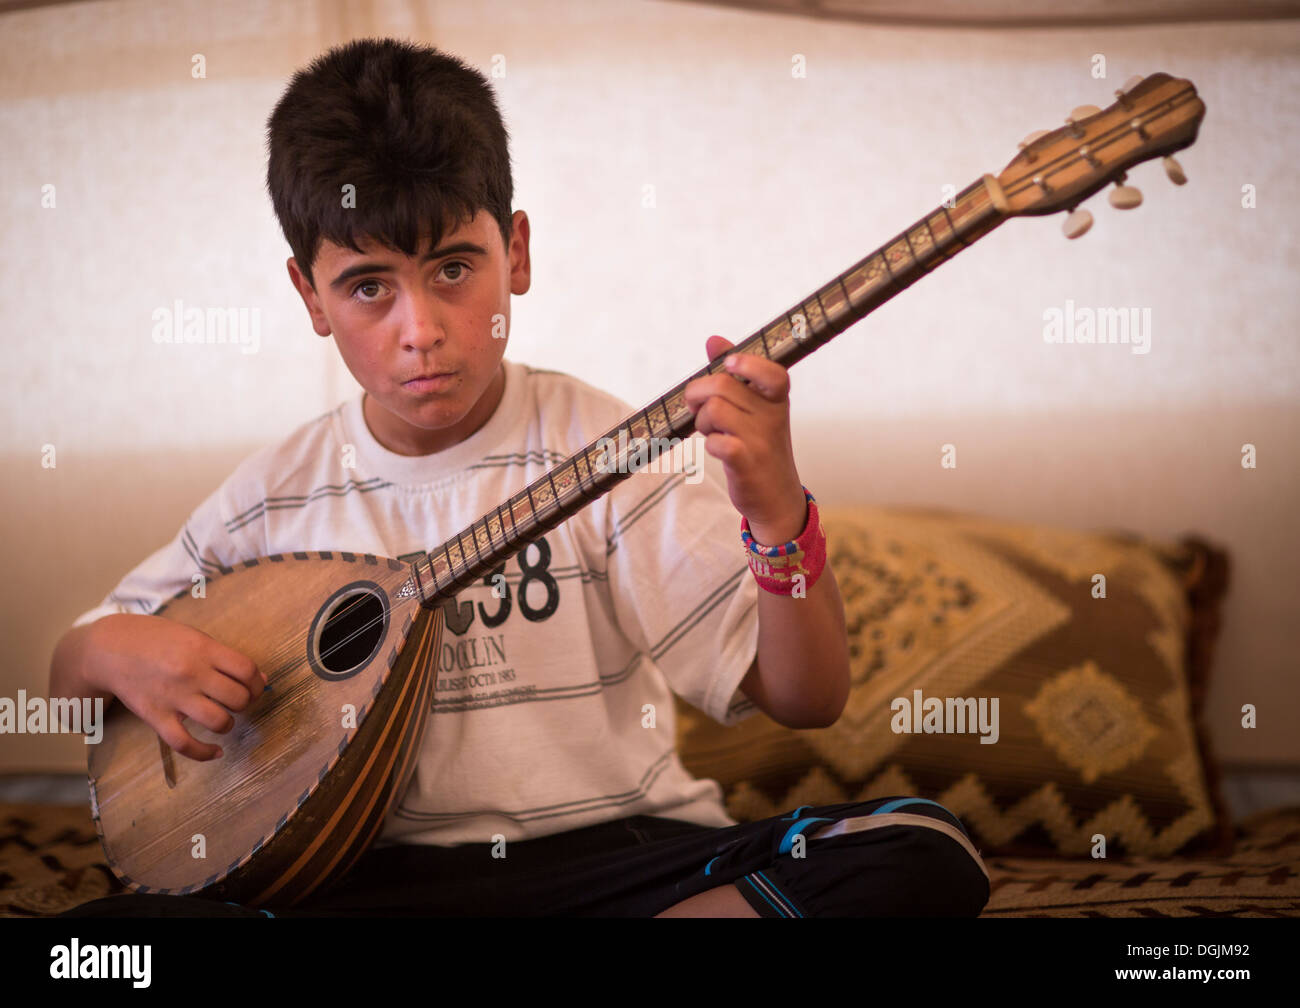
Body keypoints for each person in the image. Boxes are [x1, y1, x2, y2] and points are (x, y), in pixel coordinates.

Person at [51, 37, 989, 918]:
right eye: (368, 286)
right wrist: (110, 653)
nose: (419, 329)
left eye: (454, 267)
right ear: (309, 296)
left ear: (519, 253)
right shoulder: (273, 498)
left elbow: (807, 697)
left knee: (919, 849)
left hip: (612, 855)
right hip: (375, 882)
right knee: (101, 941)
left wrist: (778, 509)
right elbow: (72, 669)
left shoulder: (603, 445)